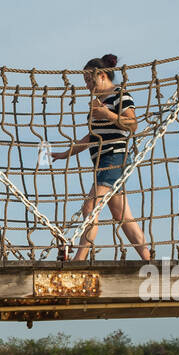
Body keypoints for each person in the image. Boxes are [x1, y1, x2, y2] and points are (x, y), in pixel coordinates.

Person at [50, 54, 151, 261]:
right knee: (122, 216)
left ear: (103, 75)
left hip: (115, 158)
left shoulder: (120, 95)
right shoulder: (97, 103)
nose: (87, 85)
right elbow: (90, 137)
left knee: (90, 207)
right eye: (85, 81)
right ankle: (148, 258)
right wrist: (64, 154)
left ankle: (78, 261)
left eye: (90, 80)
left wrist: (109, 115)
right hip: (102, 162)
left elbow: (133, 125)